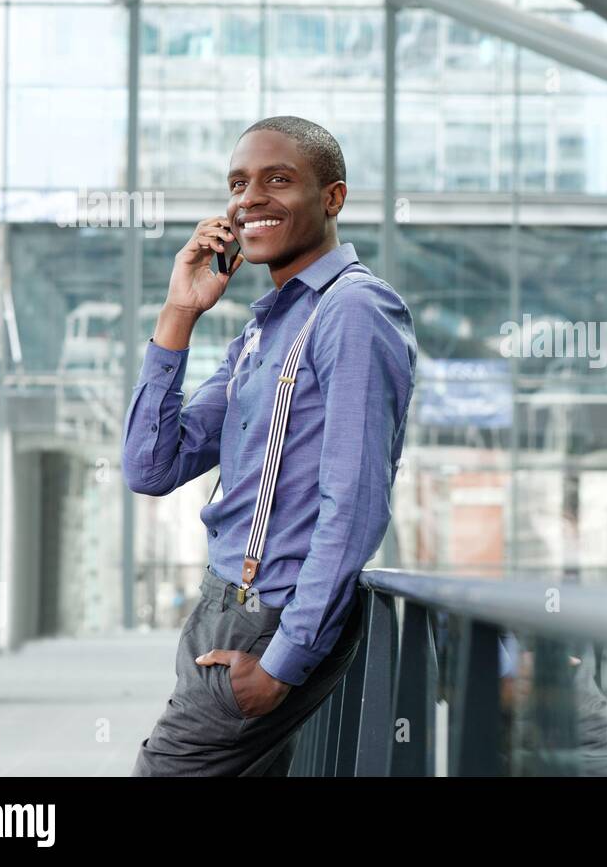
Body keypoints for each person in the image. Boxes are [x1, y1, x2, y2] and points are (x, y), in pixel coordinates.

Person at [123, 115, 417, 776]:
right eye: (238, 183)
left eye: (277, 180)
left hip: (266, 626)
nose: (250, 198)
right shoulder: (266, 328)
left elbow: (356, 499)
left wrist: (283, 663)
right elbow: (151, 463)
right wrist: (179, 312)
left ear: (332, 198)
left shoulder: (354, 311)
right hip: (223, 611)